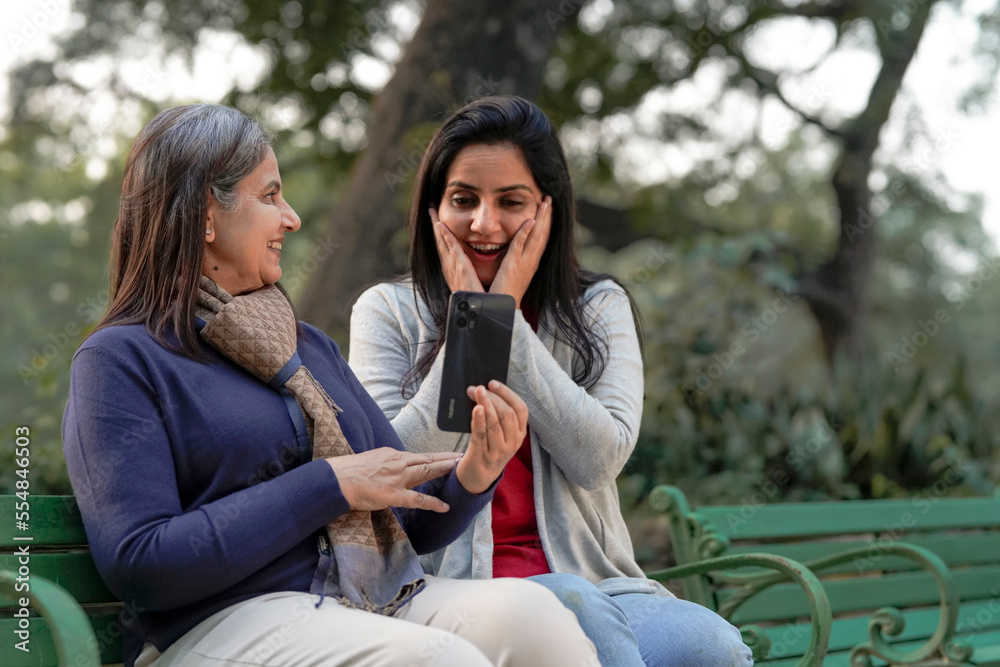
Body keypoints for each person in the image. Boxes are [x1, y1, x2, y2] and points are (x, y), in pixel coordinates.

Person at [62, 103, 600, 667]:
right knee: (438, 659)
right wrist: (326, 485)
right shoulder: (121, 359)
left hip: (361, 600)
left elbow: (401, 517)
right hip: (220, 623)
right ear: (204, 214)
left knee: (537, 619)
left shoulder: (306, 346)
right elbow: (141, 564)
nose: (291, 218)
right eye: (269, 196)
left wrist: (474, 473)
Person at [349, 95, 755, 666]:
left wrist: (503, 317)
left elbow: (599, 459)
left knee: (714, 647)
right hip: (450, 588)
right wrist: (475, 321)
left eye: (510, 201)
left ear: (547, 210)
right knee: (570, 606)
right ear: (434, 210)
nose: (484, 224)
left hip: (600, 582)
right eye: (463, 200)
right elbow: (395, 465)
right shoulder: (387, 311)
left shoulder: (598, 308)